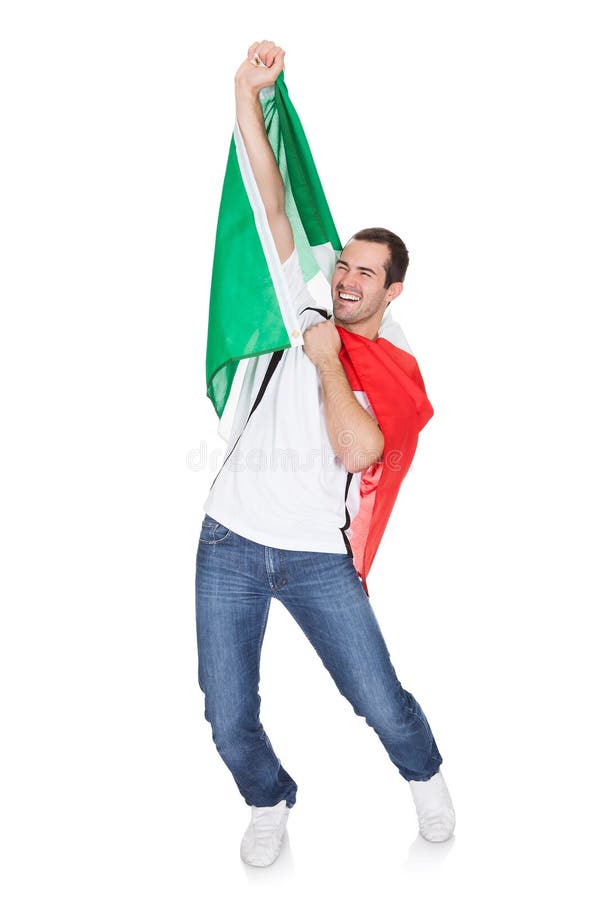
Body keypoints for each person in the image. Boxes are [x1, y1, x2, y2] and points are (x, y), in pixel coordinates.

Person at [195, 39, 455, 867]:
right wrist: (248, 90)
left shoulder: (388, 359)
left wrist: (325, 357)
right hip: (230, 538)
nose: (344, 278)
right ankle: (267, 797)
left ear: (393, 291)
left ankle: (424, 777)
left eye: (364, 273)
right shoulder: (301, 299)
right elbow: (269, 197)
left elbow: (361, 446)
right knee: (226, 711)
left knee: (377, 697)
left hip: (314, 554)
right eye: (342, 263)